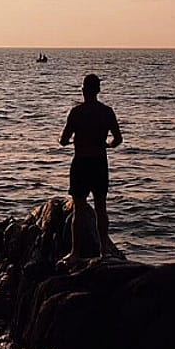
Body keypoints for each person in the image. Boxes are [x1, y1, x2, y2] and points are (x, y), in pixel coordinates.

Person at [59, 73, 122, 265]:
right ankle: (104, 250)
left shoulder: (76, 112)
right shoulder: (107, 112)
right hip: (99, 163)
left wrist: (67, 141)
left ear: (84, 90)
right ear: (98, 90)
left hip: (81, 162)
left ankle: (75, 253)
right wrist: (108, 145)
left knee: (79, 209)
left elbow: (63, 140)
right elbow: (118, 139)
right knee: (101, 208)